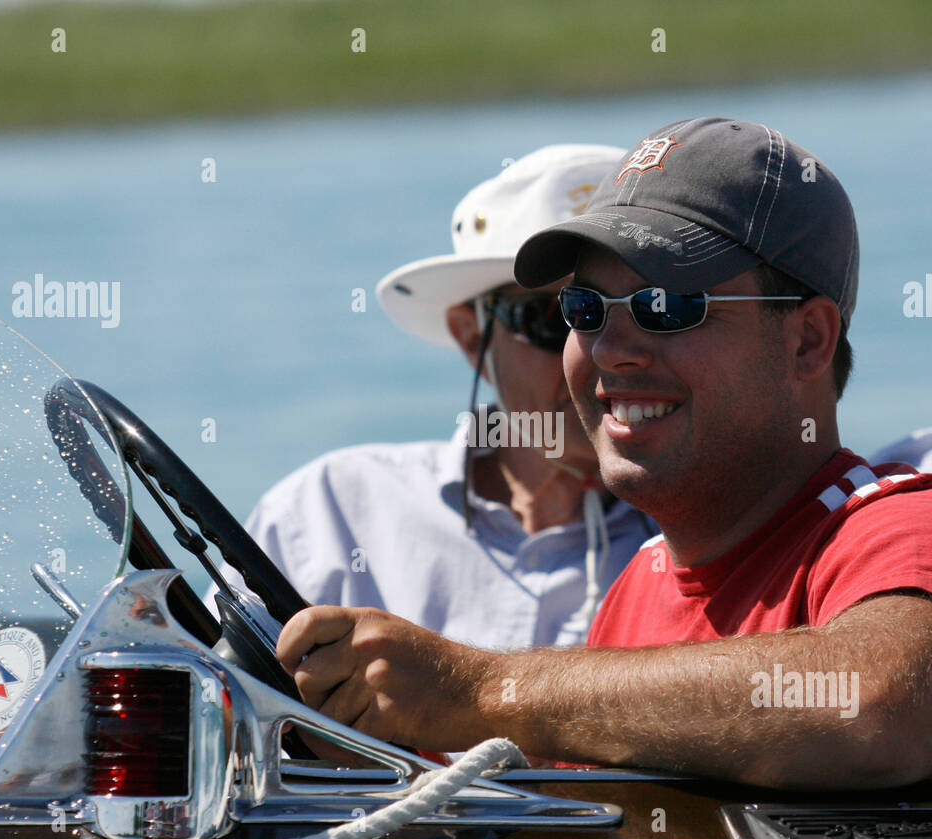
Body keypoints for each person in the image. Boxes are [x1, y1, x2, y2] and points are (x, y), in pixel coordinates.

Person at [276, 117, 932, 787]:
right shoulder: (641, 588)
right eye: (583, 309)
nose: (610, 348)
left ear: (807, 340)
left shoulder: (918, 530)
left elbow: (876, 706)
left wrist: (479, 688)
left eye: (666, 304)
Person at [211, 144, 655, 650]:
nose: (609, 353)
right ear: (471, 338)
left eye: (648, 313)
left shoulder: (719, 530)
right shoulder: (327, 514)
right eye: (562, 317)